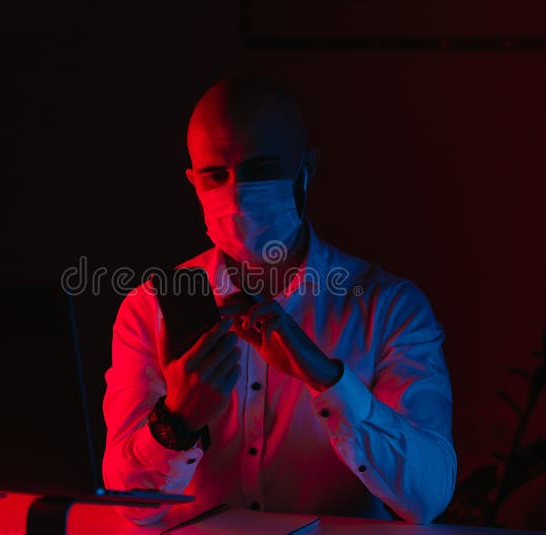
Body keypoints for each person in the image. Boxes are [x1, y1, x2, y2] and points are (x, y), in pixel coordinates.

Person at [101, 73, 456, 525]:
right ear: (193, 182)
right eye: (216, 175)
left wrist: (328, 379)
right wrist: (177, 421)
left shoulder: (389, 309)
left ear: (306, 168)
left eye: (260, 171)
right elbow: (129, 507)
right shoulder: (150, 308)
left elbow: (428, 498)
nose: (237, 193)